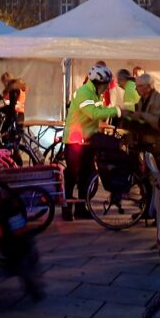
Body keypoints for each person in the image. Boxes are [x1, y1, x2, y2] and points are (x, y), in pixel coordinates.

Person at [64, 64, 120, 220]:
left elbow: (98, 114)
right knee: (72, 175)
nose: (106, 88)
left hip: (87, 141)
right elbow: (93, 113)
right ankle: (66, 208)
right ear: (98, 82)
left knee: (86, 176)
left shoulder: (96, 94)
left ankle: (81, 209)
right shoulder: (84, 92)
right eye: (105, 85)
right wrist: (116, 110)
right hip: (75, 141)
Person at [128, 74, 160, 159]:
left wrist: (141, 115)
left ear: (148, 87)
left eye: (140, 86)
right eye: (136, 86)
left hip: (156, 144)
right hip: (146, 143)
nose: (136, 89)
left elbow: (158, 121)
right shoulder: (141, 100)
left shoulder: (158, 99)